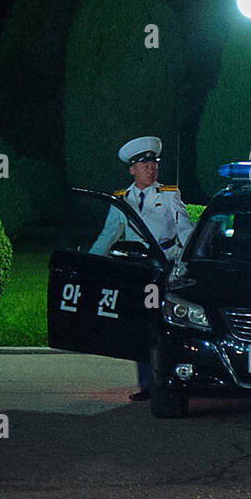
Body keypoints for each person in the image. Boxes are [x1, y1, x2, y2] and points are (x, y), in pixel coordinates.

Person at [91, 136, 194, 401]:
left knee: (165, 325)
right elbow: (108, 235)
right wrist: (90, 263)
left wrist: (189, 261)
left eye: (153, 163)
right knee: (141, 327)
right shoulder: (122, 199)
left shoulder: (170, 195)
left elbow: (186, 231)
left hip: (164, 268)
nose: (151, 169)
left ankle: (171, 379)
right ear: (132, 169)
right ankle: (147, 384)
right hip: (137, 269)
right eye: (145, 165)